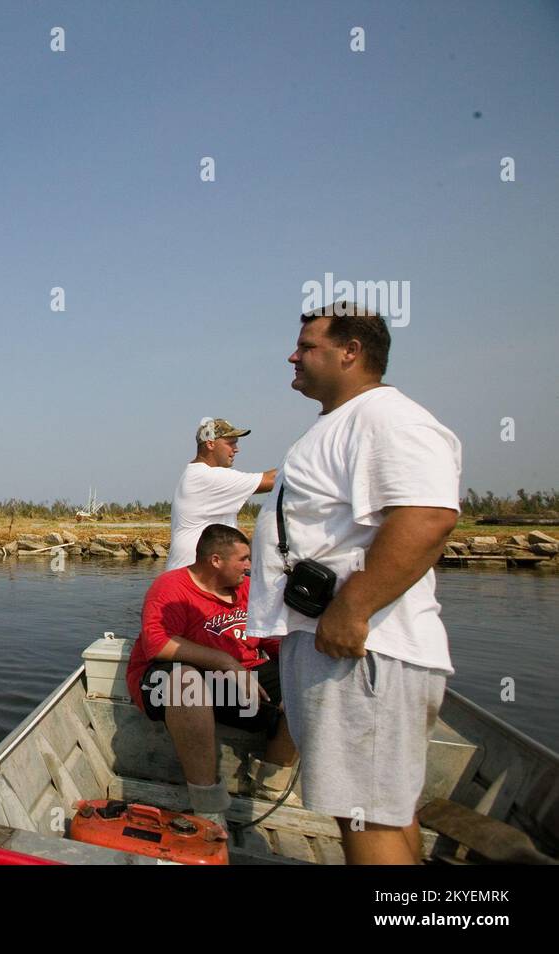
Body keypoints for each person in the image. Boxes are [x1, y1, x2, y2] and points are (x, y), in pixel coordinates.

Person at [246, 301, 461, 865]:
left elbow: (428, 515)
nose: (293, 355)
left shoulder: (386, 418)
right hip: (345, 648)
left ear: (351, 352)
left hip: (360, 650)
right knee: (383, 810)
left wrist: (351, 610)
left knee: (368, 815)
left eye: (308, 346)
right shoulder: (340, 423)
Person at [126, 524, 298, 829]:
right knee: (186, 684)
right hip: (169, 681)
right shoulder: (171, 588)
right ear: (215, 560)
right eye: (243, 559)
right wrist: (226, 662)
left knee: (305, 673)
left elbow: (270, 641)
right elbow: (157, 643)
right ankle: (207, 806)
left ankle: (271, 781)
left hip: (233, 684)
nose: (249, 566)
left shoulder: (247, 590)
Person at [166, 418, 276, 570]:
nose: (236, 449)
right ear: (210, 444)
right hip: (191, 581)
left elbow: (227, 527)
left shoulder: (196, 474)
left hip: (195, 576)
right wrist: (306, 457)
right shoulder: (206, 476)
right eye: (230, 443)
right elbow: (272, 480)